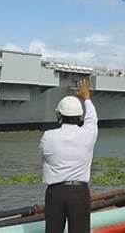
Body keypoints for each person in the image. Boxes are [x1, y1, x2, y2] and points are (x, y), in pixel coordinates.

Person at [40, 79, 98, 233]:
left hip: (55, 193)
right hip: (79, 193)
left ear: (59, 115)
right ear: (79, 116)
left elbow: (44, 157)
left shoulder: (47, 136)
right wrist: (86, 98)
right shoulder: (88, 134)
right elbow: (92, 119)